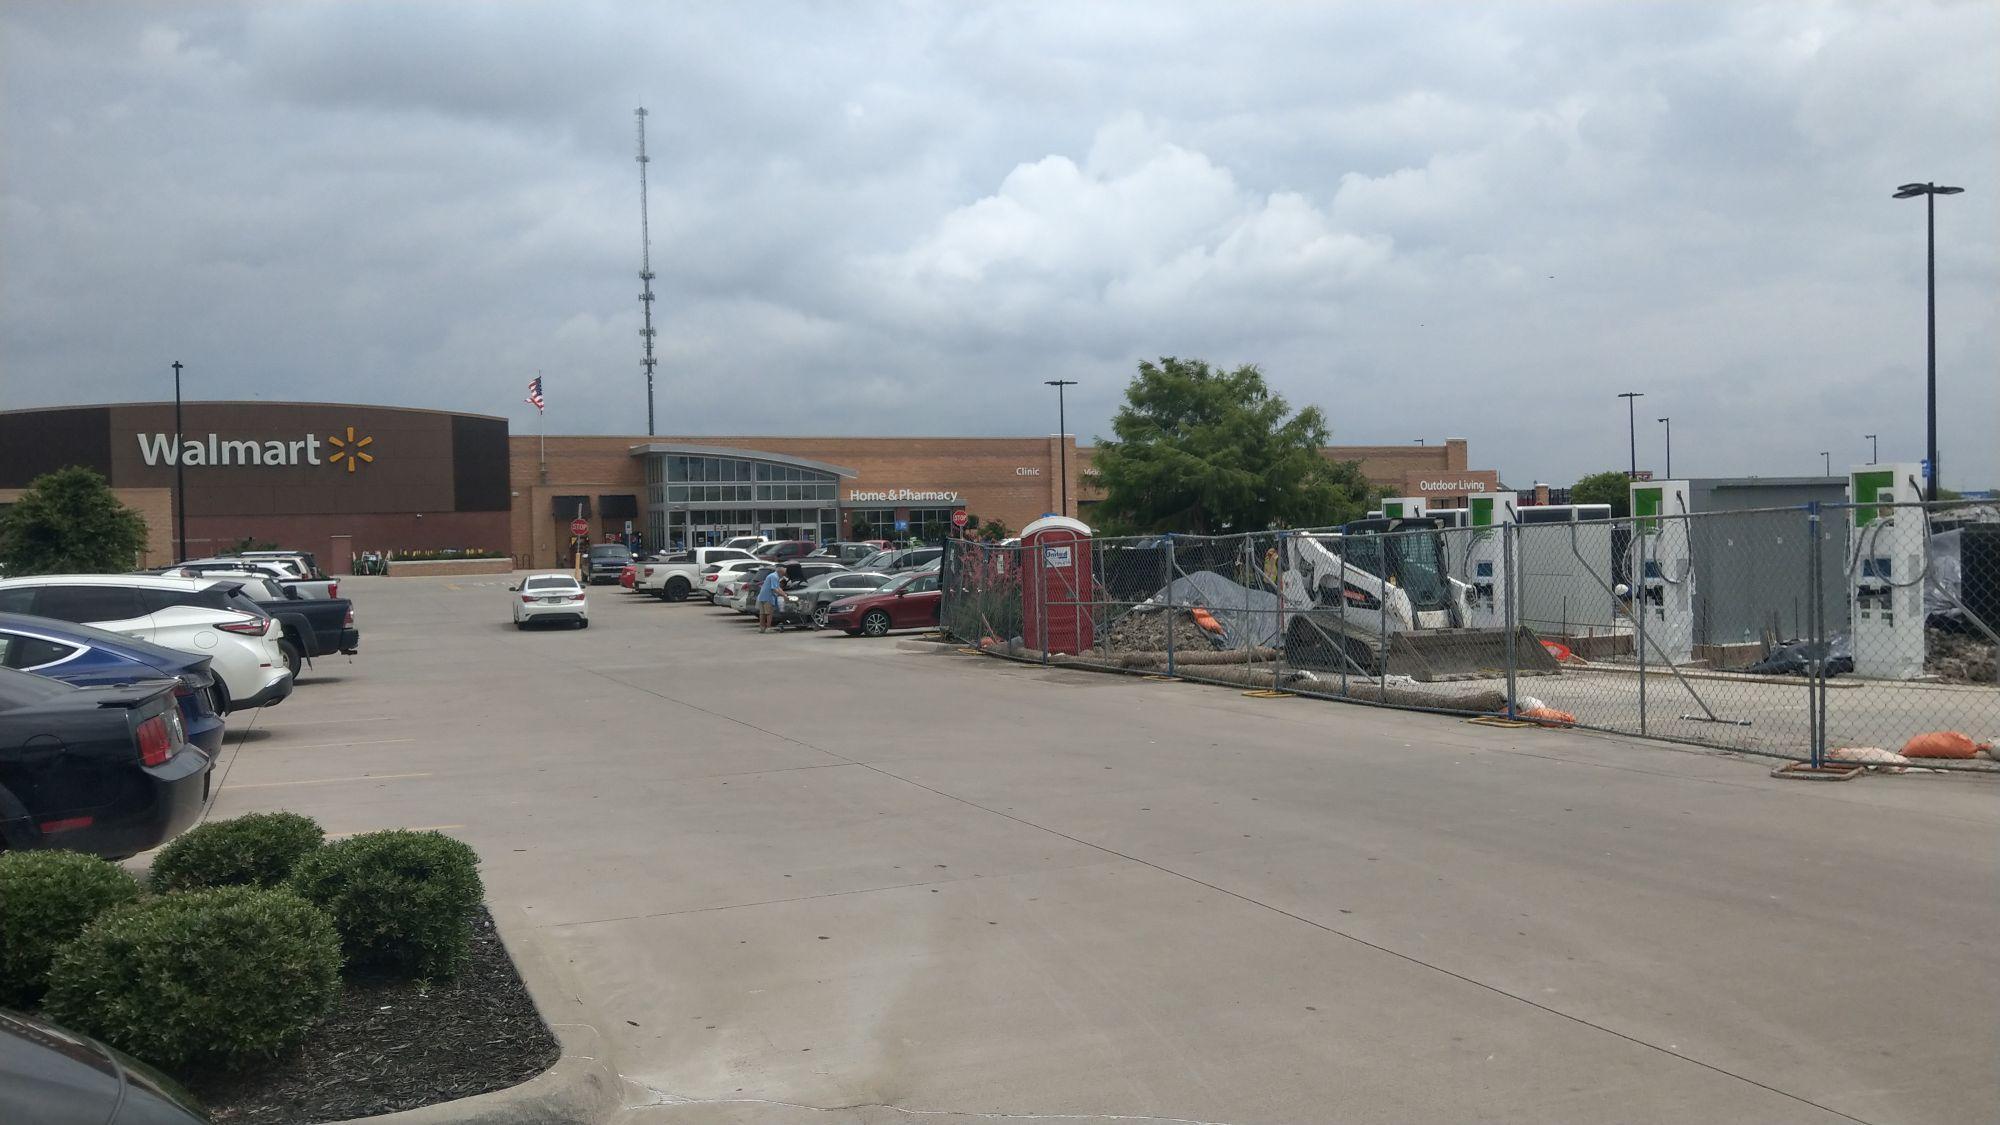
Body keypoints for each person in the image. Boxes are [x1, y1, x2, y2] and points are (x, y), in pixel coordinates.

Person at [756, 565, 783, 633]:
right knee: (769, 613)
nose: (784, 575)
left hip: (762, 597)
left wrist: (784, 594)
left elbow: (778, 587)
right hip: (768, 597)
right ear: (780, 572)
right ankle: (768, 628)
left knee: (762, 613)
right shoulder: (775, 577)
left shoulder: (771, 575)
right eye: (783, 573)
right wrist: (784, 596)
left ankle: (761, 628)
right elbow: (774, 589)